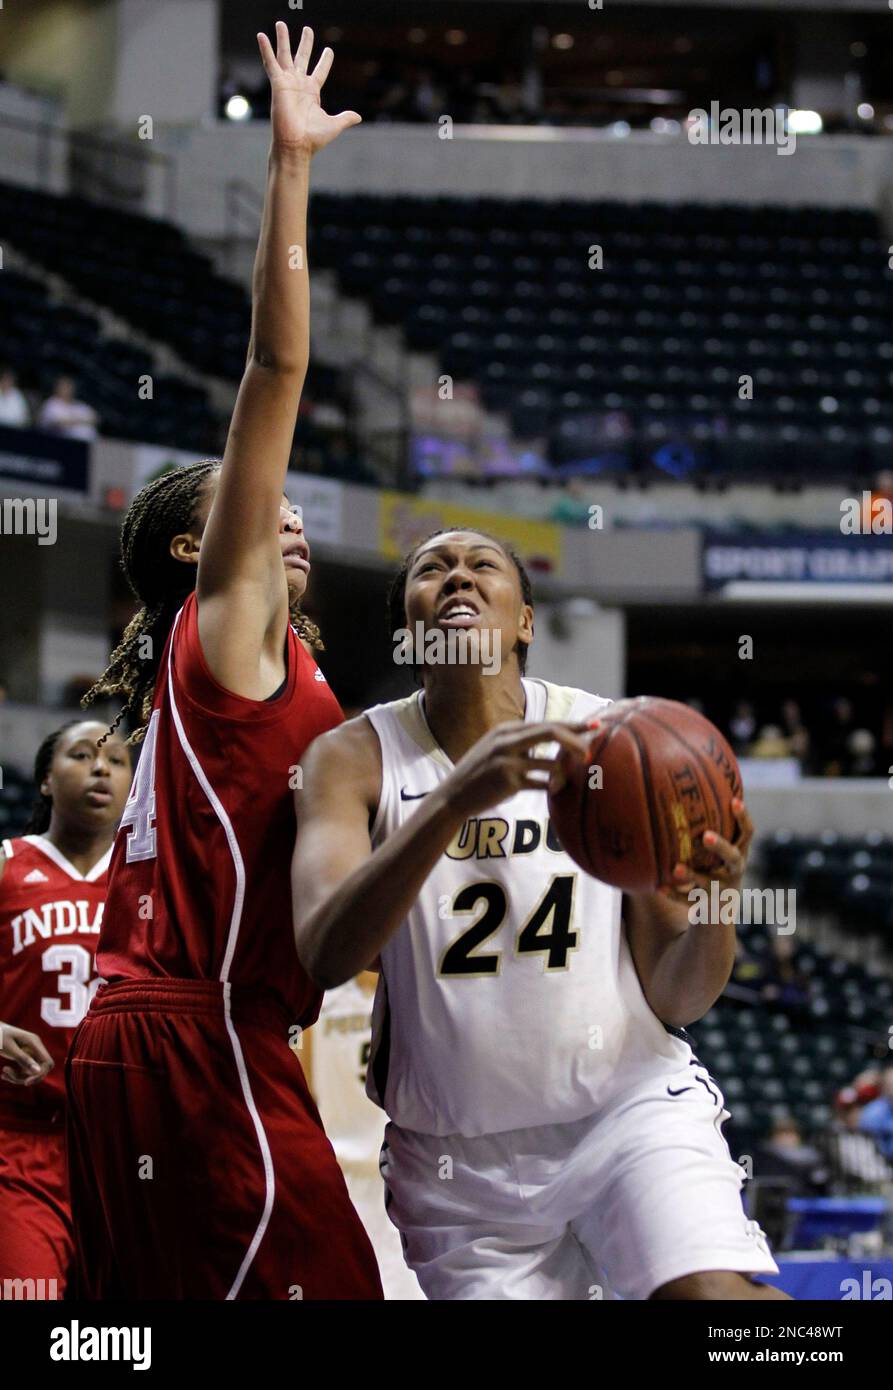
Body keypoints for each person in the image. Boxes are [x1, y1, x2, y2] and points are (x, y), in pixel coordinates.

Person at [65, 23, 381, 1301]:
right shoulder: (227, 624)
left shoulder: (217, 672)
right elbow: (275, 363)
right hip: (200, 1044)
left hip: (145, 1041)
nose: (289, 512)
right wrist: (290, 168)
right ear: (203, 544)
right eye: (263, 502)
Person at [292, 526, 786, 1301]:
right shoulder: (353, 756)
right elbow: (323, 952)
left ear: (524, 620)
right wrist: (453, 798)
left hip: (624, 1111)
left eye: (481, 565)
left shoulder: (610, 743)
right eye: (432, 571)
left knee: (711, 1300)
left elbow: (677, 995)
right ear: (407, 625)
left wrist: (718, 902)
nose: (457, 577)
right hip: (456, 1165)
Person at [0, 721, 132, 1298]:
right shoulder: (6, 861)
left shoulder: (150, 879)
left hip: (126, 1152)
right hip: (19, 1142)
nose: (101, 768)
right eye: (81, 756)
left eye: (118, 761)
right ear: (47, 781)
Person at [303, 971, 425, 1300]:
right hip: (342, 1183)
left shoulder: (414, 991)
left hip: (406, 1180)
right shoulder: (324, 994)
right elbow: (304, 1089)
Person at [38, 377, 99, 441]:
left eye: (69, 387)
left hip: (89, 443)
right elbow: (57, 423)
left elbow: (96, 419)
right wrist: (82, 421)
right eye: (64, 387)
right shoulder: (51, 403)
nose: (68, 390)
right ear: (57, 388)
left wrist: (72, 421)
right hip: (62, 443)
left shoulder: (80, 405)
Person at [859, 1063, 893, 1161]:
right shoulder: (873, 1113)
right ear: (884, 1087)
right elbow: (868, 1151)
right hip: (883, 1166)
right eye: (890, 1084)